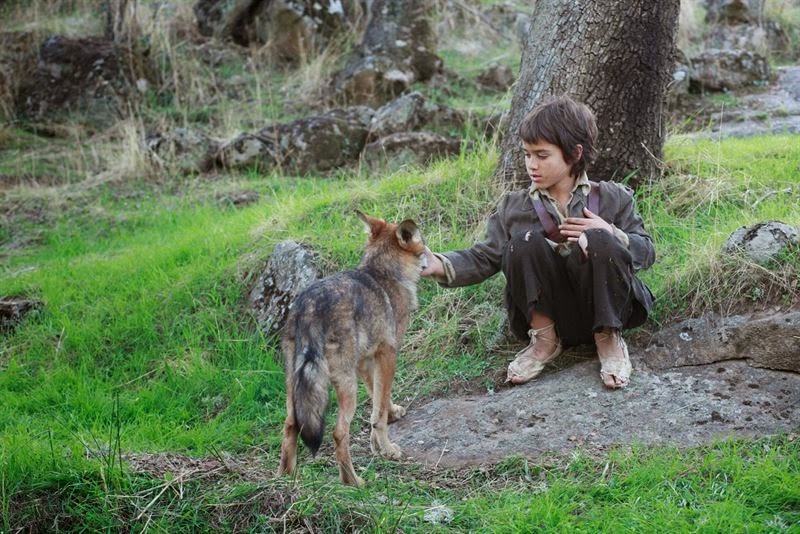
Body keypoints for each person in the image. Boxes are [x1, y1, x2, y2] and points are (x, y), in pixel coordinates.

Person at [421, 95, 655, 389]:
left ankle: (608, 339)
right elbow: (485, 257)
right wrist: (438, 264)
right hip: (555, 316)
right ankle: (544, 341)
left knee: (600, 237)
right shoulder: (514, 206)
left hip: (608, 309)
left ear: (574, 153)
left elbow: (646, 251)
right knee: (523, 242)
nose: (531, 164)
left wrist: (609, 232)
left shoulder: (612, 197)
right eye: (527, 154)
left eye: (542, 155)